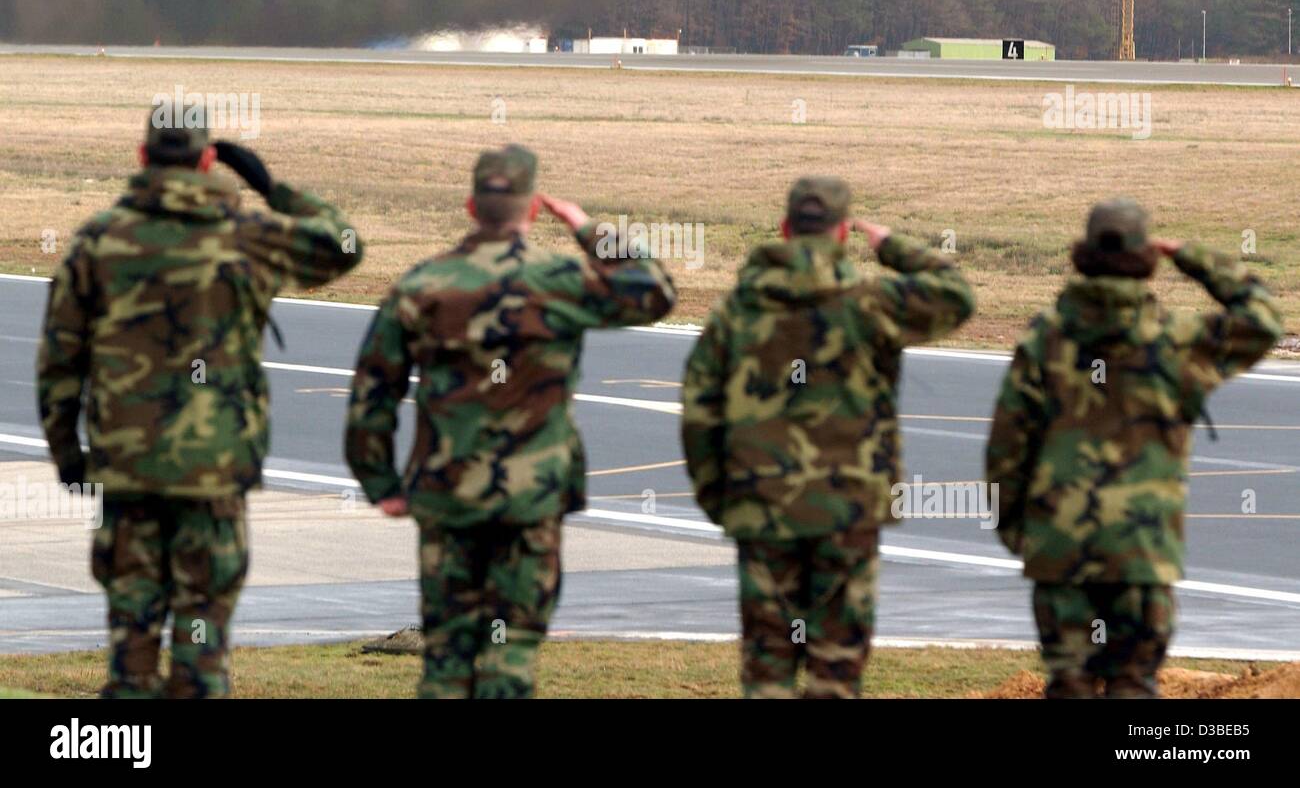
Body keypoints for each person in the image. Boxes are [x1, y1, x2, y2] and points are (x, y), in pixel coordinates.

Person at [37, 101, 363, 697]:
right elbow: (344, 246)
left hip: (129, 473)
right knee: (202, 648)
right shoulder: (248, 236)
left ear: (142, 158)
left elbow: (59, 361)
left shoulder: (99, 241)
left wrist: (68, 456)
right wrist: (272, 187)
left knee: (131, 653)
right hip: (213, 474)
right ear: (209, 159)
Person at [344, 144, 676, 698]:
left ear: (472, 207)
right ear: (534, 210)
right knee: (509, 659)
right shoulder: (558, 280)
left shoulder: (425, 285)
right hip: (531, 499)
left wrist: (382, 484)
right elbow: (656, 291)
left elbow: (372, 393)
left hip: (449, 496)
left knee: (448, 660)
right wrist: (590, 230)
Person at [681, 176, 975, 698]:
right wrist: (893, 247)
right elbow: (955, 294)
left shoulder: (739, 310)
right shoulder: (871, 303)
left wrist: (722, 499)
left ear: (784, 229)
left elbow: (700, 415)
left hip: (763, 505)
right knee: (836, 667)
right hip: (847, 509)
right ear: (844, 234)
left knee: (768, 664)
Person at [985, 198, 1282, 698]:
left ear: (1083, 254)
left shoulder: (1046, 341)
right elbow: (1263, 318)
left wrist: (1020, 533)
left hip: (1060, 547)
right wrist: (1193, 257)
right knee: (1134, 684)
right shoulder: (1175, 340)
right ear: (1147, 257)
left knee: (1070, 682)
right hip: (1141, 549)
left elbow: (1006, 450)